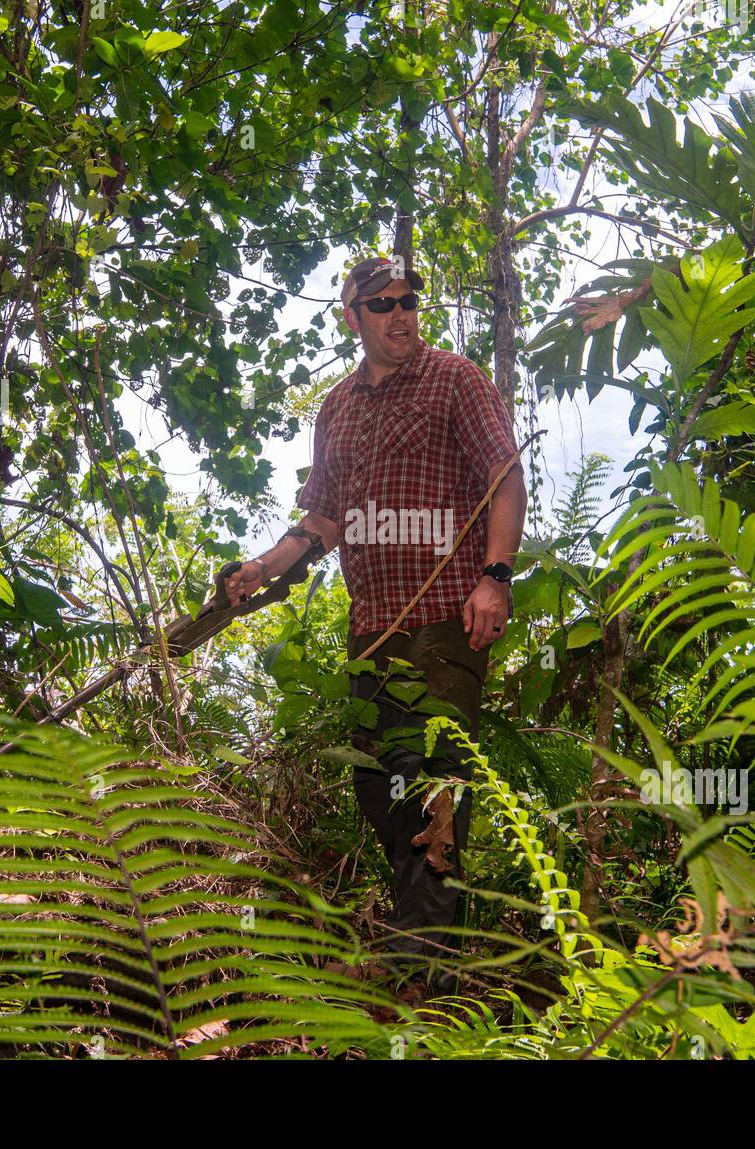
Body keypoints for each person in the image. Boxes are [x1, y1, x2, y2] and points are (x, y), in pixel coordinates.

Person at [224, 255, 527, 989]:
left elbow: (505, 474)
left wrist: (494, 576)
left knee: (434, 786)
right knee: (382, 788)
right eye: (384, 305)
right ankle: (429, 952)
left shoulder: (455, 378)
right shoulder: (336, 409)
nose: (401, 315)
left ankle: (415, 976)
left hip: (445, 619)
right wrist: (265, 566)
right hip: (375, 636)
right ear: (353, 317)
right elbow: (323, 519)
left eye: (409, 301)